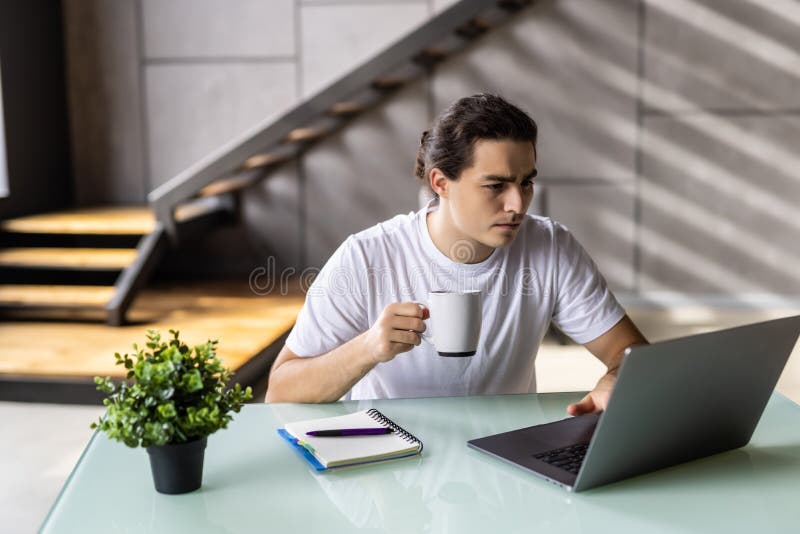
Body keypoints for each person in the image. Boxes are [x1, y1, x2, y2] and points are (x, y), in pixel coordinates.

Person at [266, 93, 648, 414]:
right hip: (389, 471)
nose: (518, 204)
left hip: (505, 459)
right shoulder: (367, 256)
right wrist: (367, 349)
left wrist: (614, 381)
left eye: (526, 183)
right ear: (440, 183)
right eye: (496, 185)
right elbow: (280, 392)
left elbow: (631, 355)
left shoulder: (550, 247)